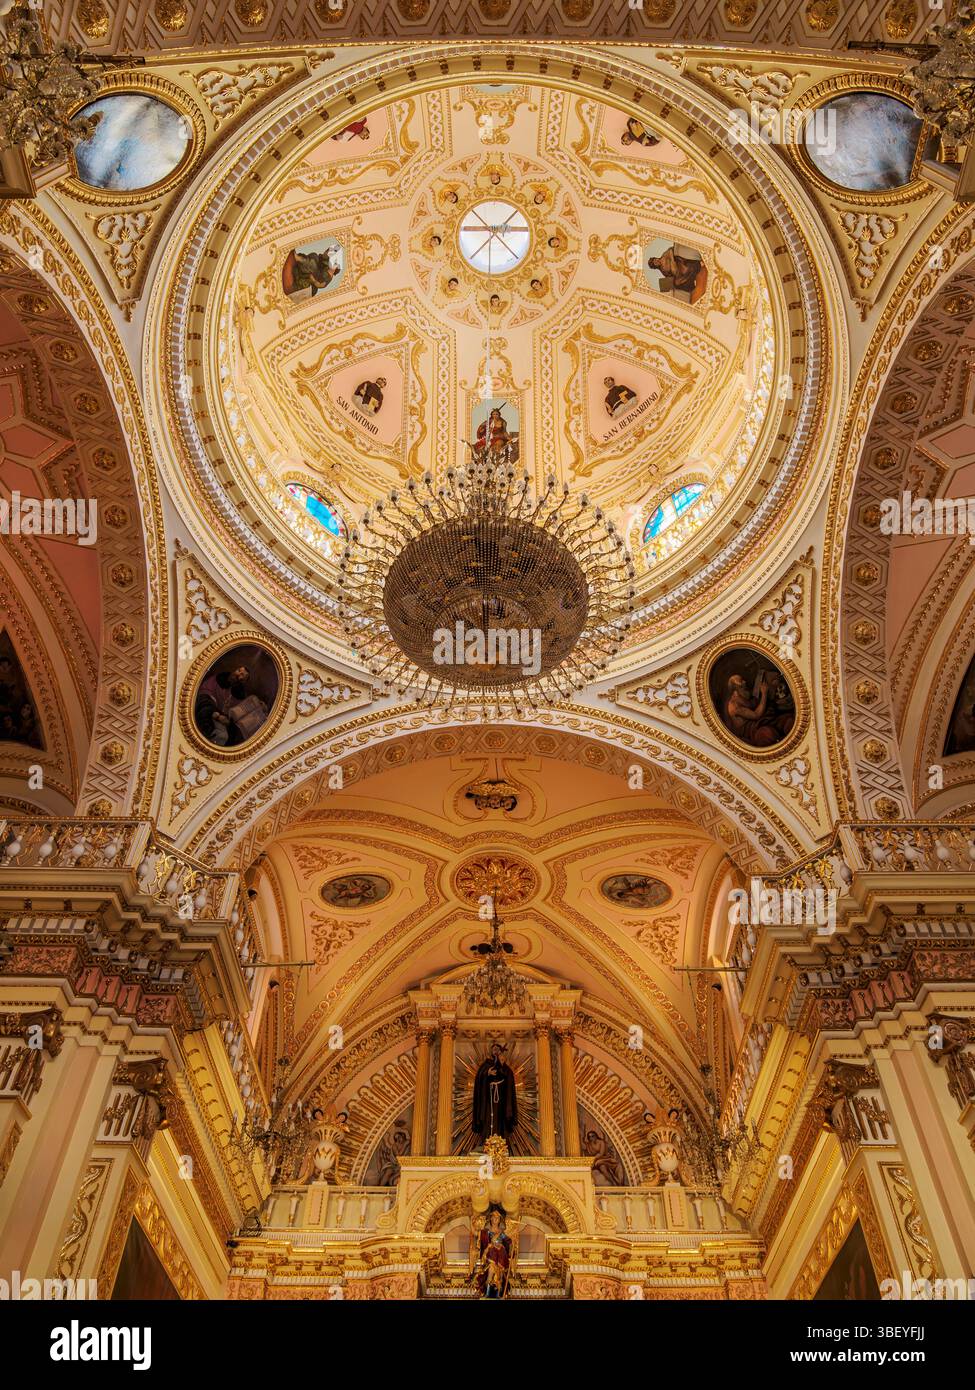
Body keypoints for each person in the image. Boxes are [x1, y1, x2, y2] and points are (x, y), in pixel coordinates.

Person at [722, 671, 782, 748]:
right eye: (741, 683)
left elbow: (753, 703)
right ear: (735, 690)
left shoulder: (742, 696)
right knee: (767, 733)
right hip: (749, 731)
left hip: (755, 724)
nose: (745, 682)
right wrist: (764, 694)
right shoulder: (734, 706)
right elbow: (756, 715)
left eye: (743, 680)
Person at [472, 1042, 517, 1141]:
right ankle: (487, 1140)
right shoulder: (486, 1064)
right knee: (488, 1116)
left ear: (501, 1051)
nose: (496, 1051)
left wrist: (502, 1065)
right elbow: (479, 1078)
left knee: (500, 1117)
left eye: (497, 1049)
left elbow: (509, 1078)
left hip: (502, 1098)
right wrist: (487, 1073)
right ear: (491, 1051)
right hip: (488, 1098)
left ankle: (500, 1140)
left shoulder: (504, 1066)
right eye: (494, 1049)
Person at [472, 1208, 513, 1299]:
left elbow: (509, 1242)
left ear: (499, 1220)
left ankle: (499, 1294)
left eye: (497, 1218)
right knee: (491, 1269)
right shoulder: (486, 1232)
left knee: (500, 1275)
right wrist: (472, 1222)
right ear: (490, 1219)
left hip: (501, 1256)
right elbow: (476, 1234)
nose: (495, 1219)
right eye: (493, 1218)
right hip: (491, 1254)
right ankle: (487, 1292)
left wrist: (513, 1245)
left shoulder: (501, 1233)